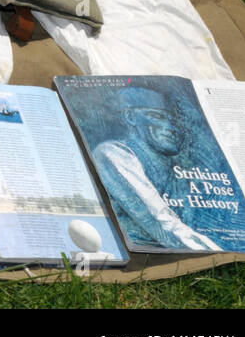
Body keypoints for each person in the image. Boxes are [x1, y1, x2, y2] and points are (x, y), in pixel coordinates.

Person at [93, 85, 221, 251]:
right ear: (130, 117)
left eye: (174, 120)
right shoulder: (111, 153)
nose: (171, 128)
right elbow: (159, 220)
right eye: (158, 116)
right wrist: (215, 255)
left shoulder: (177, 172)